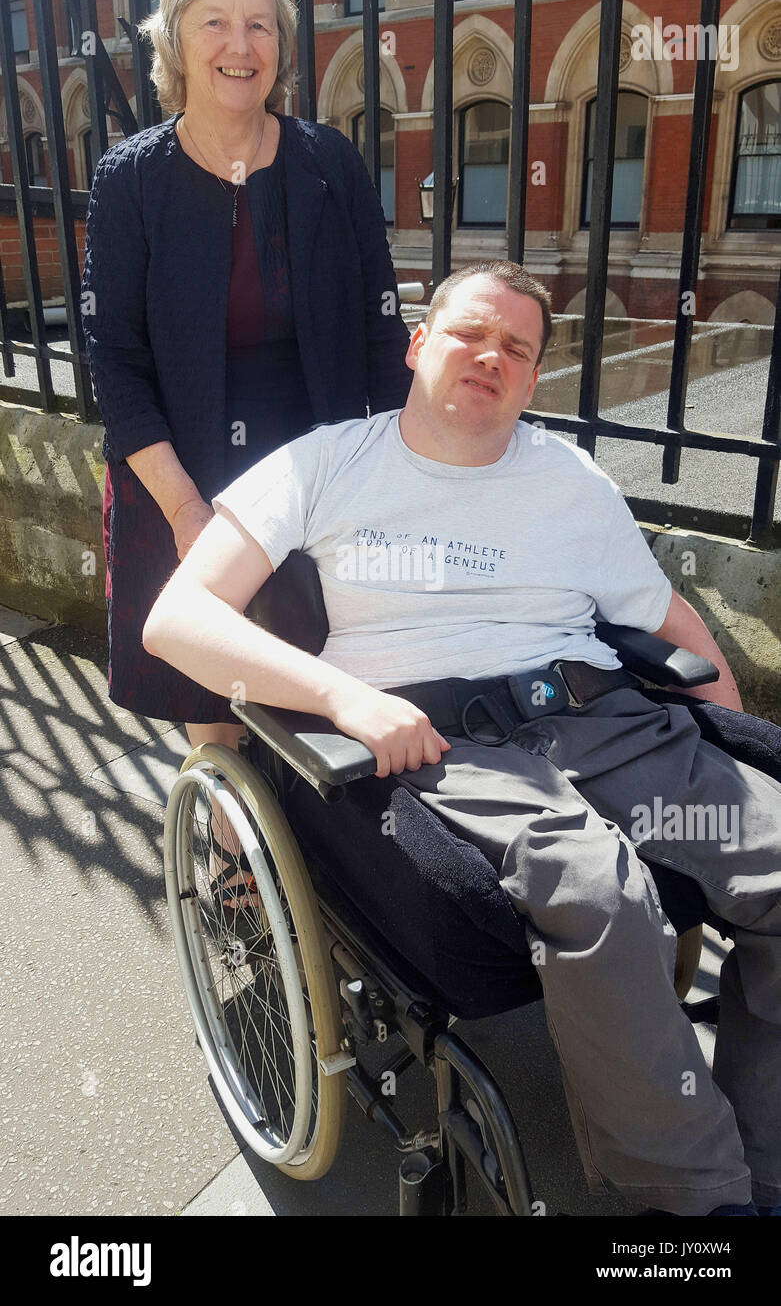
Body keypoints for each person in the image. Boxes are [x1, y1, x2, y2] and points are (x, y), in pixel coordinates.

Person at [141, 259, 781, 1218]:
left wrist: (729, 727)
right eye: (469, 334)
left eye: (516, 349)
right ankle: (693, 1207)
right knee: (600, 891)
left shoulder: (572, 478)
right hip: (438, 741)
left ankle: (765, 1166)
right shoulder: (326, 463)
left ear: (531, 379)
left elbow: (668, 618)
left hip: (603, 715)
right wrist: (344, 699)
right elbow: (177, 621)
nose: (491, 356)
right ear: (417, 344)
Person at [81, 0, 410, 761]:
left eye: (259, 25)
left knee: (325, 665)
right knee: (215, 689)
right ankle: (228, 845)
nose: (239, 46)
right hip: (180, 468)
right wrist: (188, 510)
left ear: (282, 45)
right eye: (214, 23)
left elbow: (379, 331)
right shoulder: (131, 179)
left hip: (313, 460)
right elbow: (111, 359)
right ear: (174, 43)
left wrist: (401, 473)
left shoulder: (330, 164)